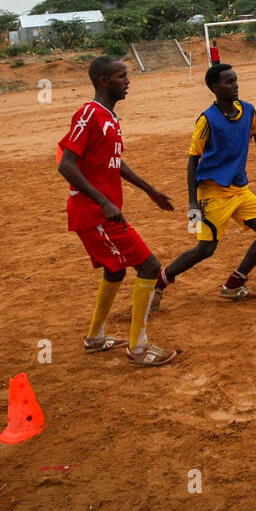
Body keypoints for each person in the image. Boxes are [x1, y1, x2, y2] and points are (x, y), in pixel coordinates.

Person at [56, 56, 179, 365]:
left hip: (102, 211)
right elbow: (66, 164)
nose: (128, 81)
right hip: (94, 214)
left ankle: (95, 338)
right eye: (122, 76)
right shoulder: (89, 113)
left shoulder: (109, 117)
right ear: (103, 81)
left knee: (115, 269)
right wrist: (104, 201)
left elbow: (114, 162)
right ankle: (138, 348)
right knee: (150, 267)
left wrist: (149, 189)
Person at [150, 63, 256, 309]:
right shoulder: (207, 120)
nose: (235, 85)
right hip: (212, 191)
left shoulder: (248, 110)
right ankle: (159, 282)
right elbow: (192, 162)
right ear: (214, 88)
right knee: (206, 248)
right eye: (229, 82)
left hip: (239, 189)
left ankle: (233, 284)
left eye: (236, 80)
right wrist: (193, 202)